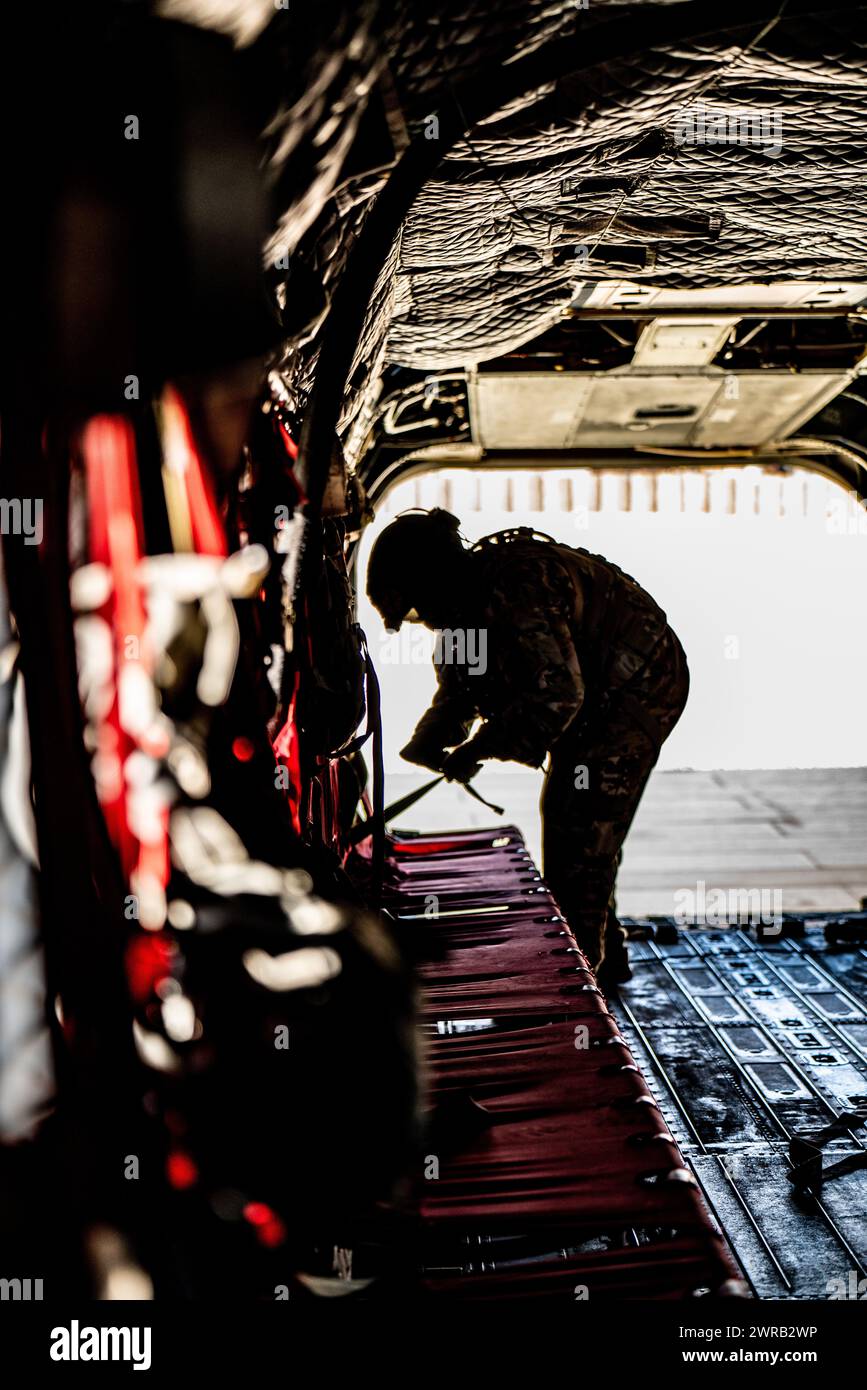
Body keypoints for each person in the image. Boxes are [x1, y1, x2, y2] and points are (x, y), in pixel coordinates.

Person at [366, 509, 689, 987]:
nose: (423, 622)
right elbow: (461, 691)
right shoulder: (461, 609)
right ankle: (605, 951)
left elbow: (558, 695)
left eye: (414, 607)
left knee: (579, 828)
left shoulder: (517, 588)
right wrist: (432, 740)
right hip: (593, 697)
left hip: (634, 689)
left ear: (430, 581)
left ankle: (577, 988)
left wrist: (479, 748)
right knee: (577, 818)